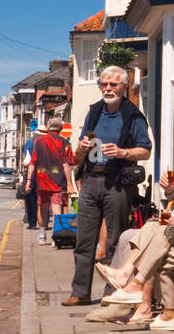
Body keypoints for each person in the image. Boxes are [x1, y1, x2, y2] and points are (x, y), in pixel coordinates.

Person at [96, 132, 174, 332]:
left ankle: (137, 292)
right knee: (152, 229)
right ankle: (153, 303)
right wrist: (170, 192)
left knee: (157, 238)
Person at [62, 67, 151, 306]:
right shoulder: (94, 112)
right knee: (83, 239)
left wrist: (124, 152)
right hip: (91, 180)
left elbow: (146, 150)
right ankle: (80, 292)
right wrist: (81, 147)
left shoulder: (133, 115)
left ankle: (110, 294)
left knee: (115, 240)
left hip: (117, 182)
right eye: (105, 84)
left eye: (114, 84)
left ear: (123, 87)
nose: (108, 88)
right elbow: (79, 155)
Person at [26, 118, 75, 245]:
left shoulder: (38, 142)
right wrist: (70, 184)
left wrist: (28, 181)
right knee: (56, 207)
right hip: (58, 181)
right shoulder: (65, 143)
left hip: (42, 180)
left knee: (42, 207)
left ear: (48, 127)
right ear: (61, 129)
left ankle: (42, 235)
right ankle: (56, 235)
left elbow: (33, 163)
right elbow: (66, 165)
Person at [20, 135, 37, 229]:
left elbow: (27, 162)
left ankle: (32, 222)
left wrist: (28, 180)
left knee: (31, 199)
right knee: (44, 201)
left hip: (33, 175)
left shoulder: (30, 143)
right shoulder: (49, 142)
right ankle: (44, 224)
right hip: (45, 175)